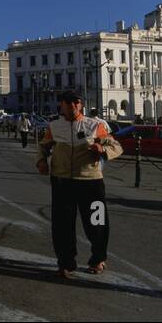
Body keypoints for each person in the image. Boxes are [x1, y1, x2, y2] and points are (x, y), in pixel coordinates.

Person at [36, 91, 123, 279]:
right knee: (62, 225)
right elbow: (43, 146)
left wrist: (102, 149)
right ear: (62, 105)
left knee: (97, 222)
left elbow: (116, 146)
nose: (73, 106)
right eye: (69, 103)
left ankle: (98, 259)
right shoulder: (54, 126)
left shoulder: (95, 125)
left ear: (81, 105)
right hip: (62, 181)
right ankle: (66, 263)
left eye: (77, 103)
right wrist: (41, 161)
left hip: (91, 182)